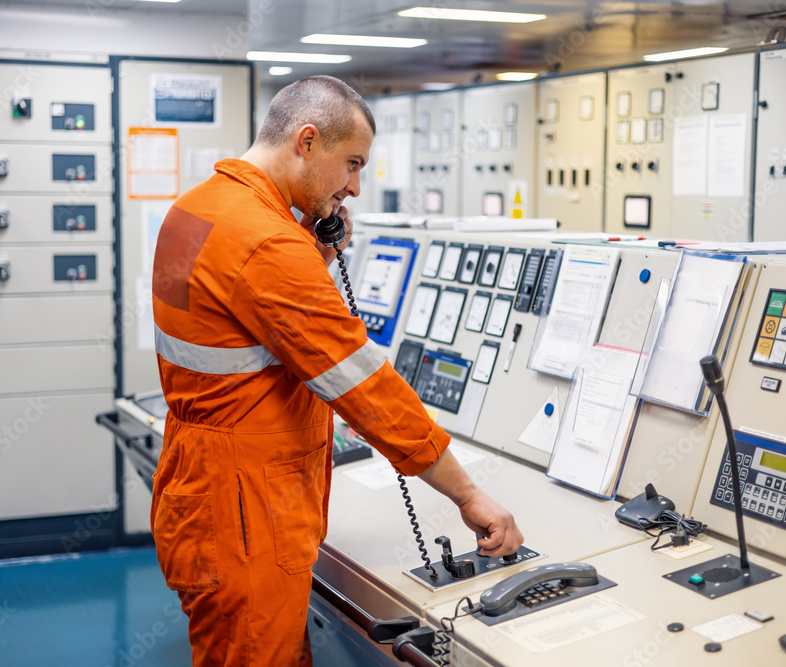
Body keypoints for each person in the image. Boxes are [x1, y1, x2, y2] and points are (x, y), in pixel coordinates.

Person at [151, 75, 523, 667]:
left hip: (201, 485)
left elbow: (241, 322)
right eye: (350, 164)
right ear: (305, 141)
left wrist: (313, 260)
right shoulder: (268, 244)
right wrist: (469, 494)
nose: (353, 187)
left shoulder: (196, 208)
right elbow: (365, 387)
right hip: (248, 510)